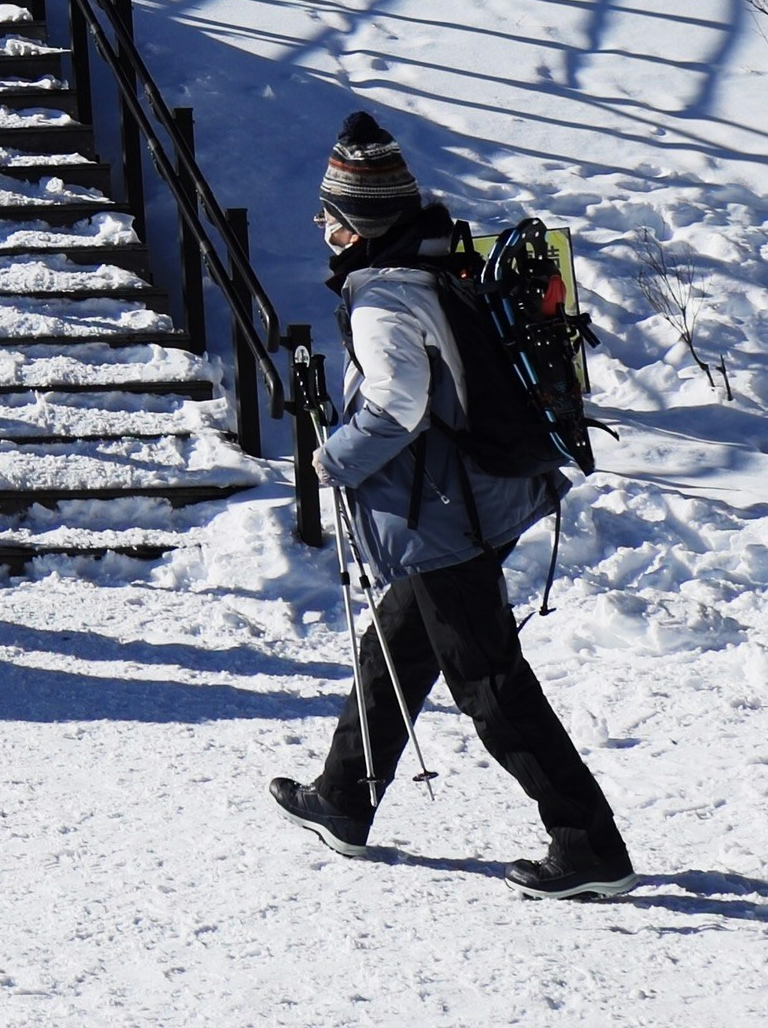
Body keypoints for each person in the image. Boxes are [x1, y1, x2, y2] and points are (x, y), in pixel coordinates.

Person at [271, 111, 635, 898]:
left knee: (488, 681)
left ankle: (588, 844)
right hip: (478, 495)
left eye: (331, 217)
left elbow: (398, 405)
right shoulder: (435, 267)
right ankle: (343, 797)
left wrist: (334, 459)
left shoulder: (382, 300)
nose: (321, 228)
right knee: (398, 644)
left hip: (443, 513)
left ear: (360, 225)